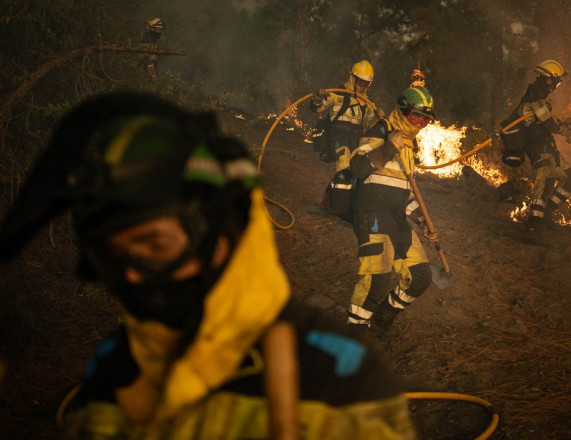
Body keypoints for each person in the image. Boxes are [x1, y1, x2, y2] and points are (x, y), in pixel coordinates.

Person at [0, 92, 415, 439]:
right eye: (108, 258)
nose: (130, 276)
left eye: (155, 244)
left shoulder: (342, 374)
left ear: (225, 233)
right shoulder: (115, 364)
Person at [346, 86, 438, 334]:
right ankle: (354, 334)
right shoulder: (381, 131)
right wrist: (388, 148)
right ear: (403, 110)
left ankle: (383, 316)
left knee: (420, 278)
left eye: (426, 120)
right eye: (416, 117)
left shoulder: (409, 145)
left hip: (397, 221)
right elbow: (356, 168)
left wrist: (422, 221)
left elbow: (405, 192)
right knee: (377, 280)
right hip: (372, 216)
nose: (420, 124)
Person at [498, 59, 571, 236]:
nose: (555, 86)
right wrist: (565, 131)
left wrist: (565, 124)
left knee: (570, 177)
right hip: (537, 147)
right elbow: (548, 122)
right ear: (548, 79)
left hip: (546, 146)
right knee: (542, 184)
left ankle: (546, 214)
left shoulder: (537, 95)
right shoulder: (535, 94)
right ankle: (533, 226)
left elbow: (546, 119)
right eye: (556, 82)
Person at [310, 60, 384, 171]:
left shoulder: (367, 103)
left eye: (367, 83)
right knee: (344, 162)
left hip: (356, 139)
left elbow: (371, 125)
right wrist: (318, 98)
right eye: (361, 82)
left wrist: (378, 117)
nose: (363, 86)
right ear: (353, 79)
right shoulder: (337, 95)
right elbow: (317, 107)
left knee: (357, 169)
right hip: (338, 136)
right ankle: (342, 183)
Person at [141, 18, 165, 82]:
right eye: (158, 29)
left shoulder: (153, 41)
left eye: (161, 30)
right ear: (152, 29)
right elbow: (147, 61)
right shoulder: (147, 40)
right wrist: (154, 76)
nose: (160, 32)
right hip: (143, 74)